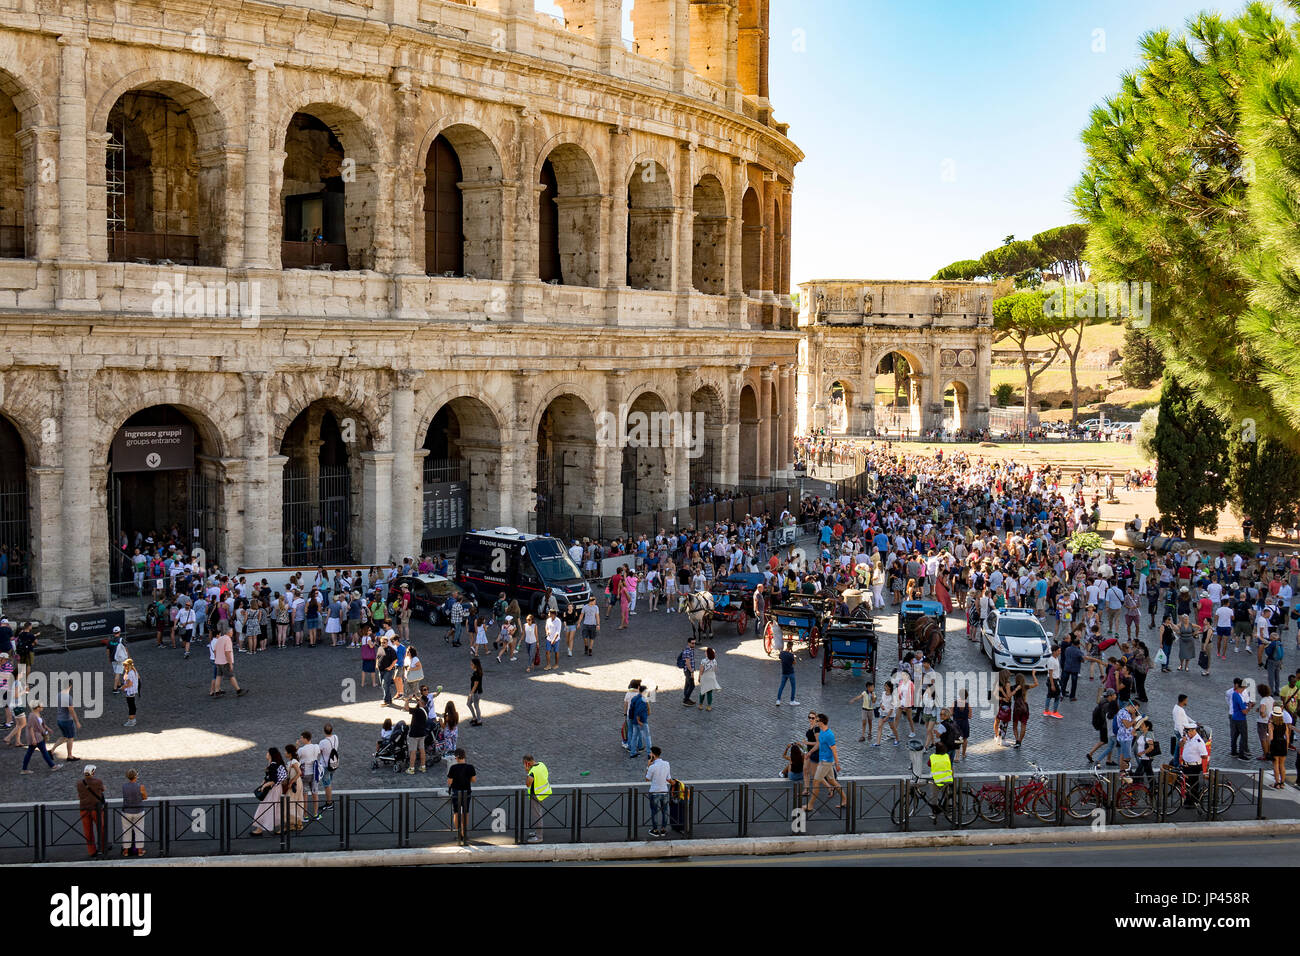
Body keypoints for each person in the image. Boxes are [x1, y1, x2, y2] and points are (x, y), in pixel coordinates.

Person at [802, 713, 846, 812]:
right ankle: (844, 799)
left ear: (821, 722)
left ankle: (810, 805)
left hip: (826, 762)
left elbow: (834, 750)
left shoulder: (829, 734)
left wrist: (837, 764)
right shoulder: (821, 731)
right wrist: (809, 752)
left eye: (816, 720)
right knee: (832, 781)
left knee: (816, 782)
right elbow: (819, 745)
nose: (815, 722)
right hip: (824, 761)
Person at [252, 748, 288, 836]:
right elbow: (269, 777)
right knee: (273, 807)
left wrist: (264, 786)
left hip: (273, 789)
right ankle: (282, 827)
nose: (266, 754)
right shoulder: (274, 764)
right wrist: (263, 783)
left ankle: (260, 828)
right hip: (275, 789)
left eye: (267, 753)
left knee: (266, 807)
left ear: (271, 755)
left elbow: (273, 780)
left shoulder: (273, 766)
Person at [19, 702, 60, 773]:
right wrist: (34, 739)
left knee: (31, 753)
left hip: (38, 736)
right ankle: (53, 766)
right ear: (37, 708)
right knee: (43, 752)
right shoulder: (32, 716)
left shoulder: (36, 714)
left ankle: (24, 769)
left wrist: (48, 728)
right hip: (36, 737)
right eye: (41, 707)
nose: (42, 708)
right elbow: (31, 728)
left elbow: (41, 723)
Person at [76, 764, 107, 857]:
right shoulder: (98, 782)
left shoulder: (79, 783)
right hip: (95, 809)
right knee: (101, 828)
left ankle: (91, 850)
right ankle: (102, 847)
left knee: (87, 830)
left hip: (84, 808)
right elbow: (103, 789)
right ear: (92, 772)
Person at [448, 748, 476, 845]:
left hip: (456, 793)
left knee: (456, 812)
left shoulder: (453, 768)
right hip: (466, 792)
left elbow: (449, 782)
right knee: (465, 812)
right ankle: (464, 831)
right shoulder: (470, 767)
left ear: (456, 757)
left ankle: (459, 832)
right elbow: (473, 780)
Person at [645, 745, 672, 837]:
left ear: (653, 755)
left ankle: (655, 830)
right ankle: (664, 829)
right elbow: (668, 779)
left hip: (654, 792)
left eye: (650, 753)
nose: (649, 754)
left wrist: (648, 766)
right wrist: (674, 783)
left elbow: (647, 779)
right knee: (665, 811)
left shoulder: (652, 767)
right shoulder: (667, 764)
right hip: (664, 791)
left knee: (654, 811)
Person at [120, 769, 148, 856]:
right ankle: (140, 851)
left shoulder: (124, 786)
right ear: (136, 776)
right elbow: (145, 797)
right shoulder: (141, 786)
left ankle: (125, 851)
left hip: (127, 811)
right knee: (139, 830)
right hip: (138, 810)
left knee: (126, 831)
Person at [52, 680, 82, 763]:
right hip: (67, 720)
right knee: (70, 738)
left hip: (59, 719)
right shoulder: (68, 697)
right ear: (70, 686)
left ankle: (52, 750)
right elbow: (71, 711)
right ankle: (69, 755)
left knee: (64, 736)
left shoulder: (58, 695)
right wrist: (77, 722)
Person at [211, 630, 246, 699]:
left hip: (218, 661)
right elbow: (227, 652)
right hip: (225, 662)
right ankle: (238, 690)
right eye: (232, 632)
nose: (232, 633)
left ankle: (217, 692)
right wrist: (230, 663)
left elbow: (215, 650)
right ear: (228, 632)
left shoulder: (220, 639)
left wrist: (216, 658)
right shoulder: (227, 640)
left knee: (218, 676)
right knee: (231, 676)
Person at [523, 754, 550, 844]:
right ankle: (538, 832)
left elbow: (527, 784)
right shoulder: (542, 764)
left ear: (527, 763)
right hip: (543, 792)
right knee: (539, 813)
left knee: (537, 815)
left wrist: (527, 771)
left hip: (536, 795)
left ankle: (539, 837)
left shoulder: (532, 772)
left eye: (524, 764)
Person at [297, 730, 323, 819]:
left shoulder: (301, 750)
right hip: (314, 773)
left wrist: (297, 746)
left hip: (304, 774)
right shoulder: (316, 747)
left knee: (304, 795)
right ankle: (316, 814)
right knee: (315, 794)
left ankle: (305, 815)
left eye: (301, 738)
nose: (300, 739)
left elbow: (297, 757)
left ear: (305, 739)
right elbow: (319, 753)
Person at [1268, 706, 1292, 788]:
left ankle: (1277, 783)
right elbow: (1287, 737)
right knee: (1282, 765)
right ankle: (1282, 783)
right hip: (1283, 744)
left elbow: (1270, 737)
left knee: (1275, 765)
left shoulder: (1271, 725)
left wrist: (1268, 747)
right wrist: (1286, 747)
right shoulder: (1284, 725)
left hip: (1275, 744)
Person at [1229, 677, 1251, 759]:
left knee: (1235, 735)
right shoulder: (1239, 696)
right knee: (1243, 736)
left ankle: (1233, 751)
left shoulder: (1234, 694)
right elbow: (1244, 711)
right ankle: (1242, 754)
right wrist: (1249, 707)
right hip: (1241, 719)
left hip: (1235, 717)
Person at [319, 723, 338, 811]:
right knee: (329, 782)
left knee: (327, 785)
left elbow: (319, 752)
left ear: (324, 731)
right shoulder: (335, 737)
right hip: (334, 763)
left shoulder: (323, 742)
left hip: (325, 765)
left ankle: (329, 803)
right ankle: (329, 801)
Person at [626, 683, 650, 758]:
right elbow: (640, 711)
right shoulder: (643, 699)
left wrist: (631, 718)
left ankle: (633, 752)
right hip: (642, 721)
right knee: (647, 737)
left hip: (634, 722)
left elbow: (631, 710)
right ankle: (649, 753)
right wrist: (639, 721)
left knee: (634, 736)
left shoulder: (634, 698)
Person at [776, 639, 800, 706]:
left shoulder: (782, 653)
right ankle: (792, 701)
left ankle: (778, 700)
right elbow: (794, 663)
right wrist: (792, 654)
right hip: (790, 673)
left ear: (787, 645)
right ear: (791, 646)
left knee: (781, 686)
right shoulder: (791, 655)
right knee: (793, 687)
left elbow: (780, 657)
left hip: (784, 672)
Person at [697, 646, 721, 711]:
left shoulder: (703, 661)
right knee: (709, 692)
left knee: (703, 691)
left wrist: (699, 677)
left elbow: (701, 671)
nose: (705, 652)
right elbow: (715, 669)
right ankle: (709, 706)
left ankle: (700, 705)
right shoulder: (714, 661)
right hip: (711, 677)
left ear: (707, 653)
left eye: (706, 651)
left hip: (705, 677)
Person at [678, 637, 697, 706]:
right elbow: (688, 663)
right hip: (688, 671)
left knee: (687, 684)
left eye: (694, 643)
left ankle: (686, 698)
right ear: (688, 643)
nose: (694, 644)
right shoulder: (687, 651)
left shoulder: (690, 650)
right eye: (692, 643)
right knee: (692, 686)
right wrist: (692, 671)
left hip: (688, 671)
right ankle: (686, 700)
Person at [122, 658, 140, 727]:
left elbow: (129, 684)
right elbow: (138, 678)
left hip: (130, 691)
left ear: (128, 666)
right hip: (134, 691)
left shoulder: (130, 673)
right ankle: (132, 719)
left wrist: (123, 687)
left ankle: (131, 720)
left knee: (131, 706)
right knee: (132, 705)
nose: (124, 667)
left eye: (125, 666)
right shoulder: (134, 671)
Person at [467, 658, 484, 727]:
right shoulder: (477, 672)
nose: (470, 665)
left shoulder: (476, 673)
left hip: (476, 693)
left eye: (472, 664)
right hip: (475, 692)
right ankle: (474, 717)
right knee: (468, 703)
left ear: (475, 665)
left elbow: (475, 685)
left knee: (476, 706)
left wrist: (470, 694)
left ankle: (479, 720)